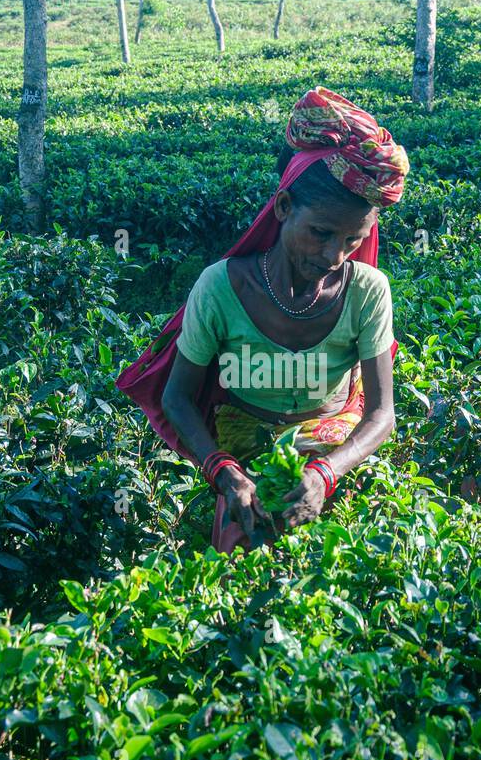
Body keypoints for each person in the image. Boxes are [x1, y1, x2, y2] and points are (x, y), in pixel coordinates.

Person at [157, 86, 410, 553]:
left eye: (354, 240)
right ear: (283, 208)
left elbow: (380, 414)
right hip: (243, 441)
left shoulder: (368, 291)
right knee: (241, 559)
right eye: (320, 233)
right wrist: (224, 470)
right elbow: (177, 397)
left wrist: (325, 473)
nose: (334, 255)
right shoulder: (219, 287)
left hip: (335, 445)